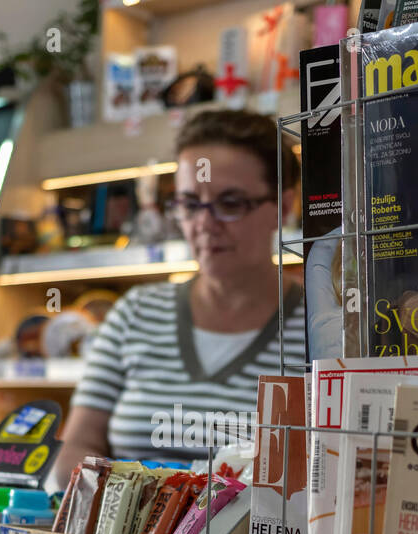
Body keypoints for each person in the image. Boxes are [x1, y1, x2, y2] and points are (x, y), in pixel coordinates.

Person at [52, 109, 304, 480]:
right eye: (189, 204)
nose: (204, 223)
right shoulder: (134, 314)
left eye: (230, 203)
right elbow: (78, 445)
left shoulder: (321, 328)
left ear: (283, 206)